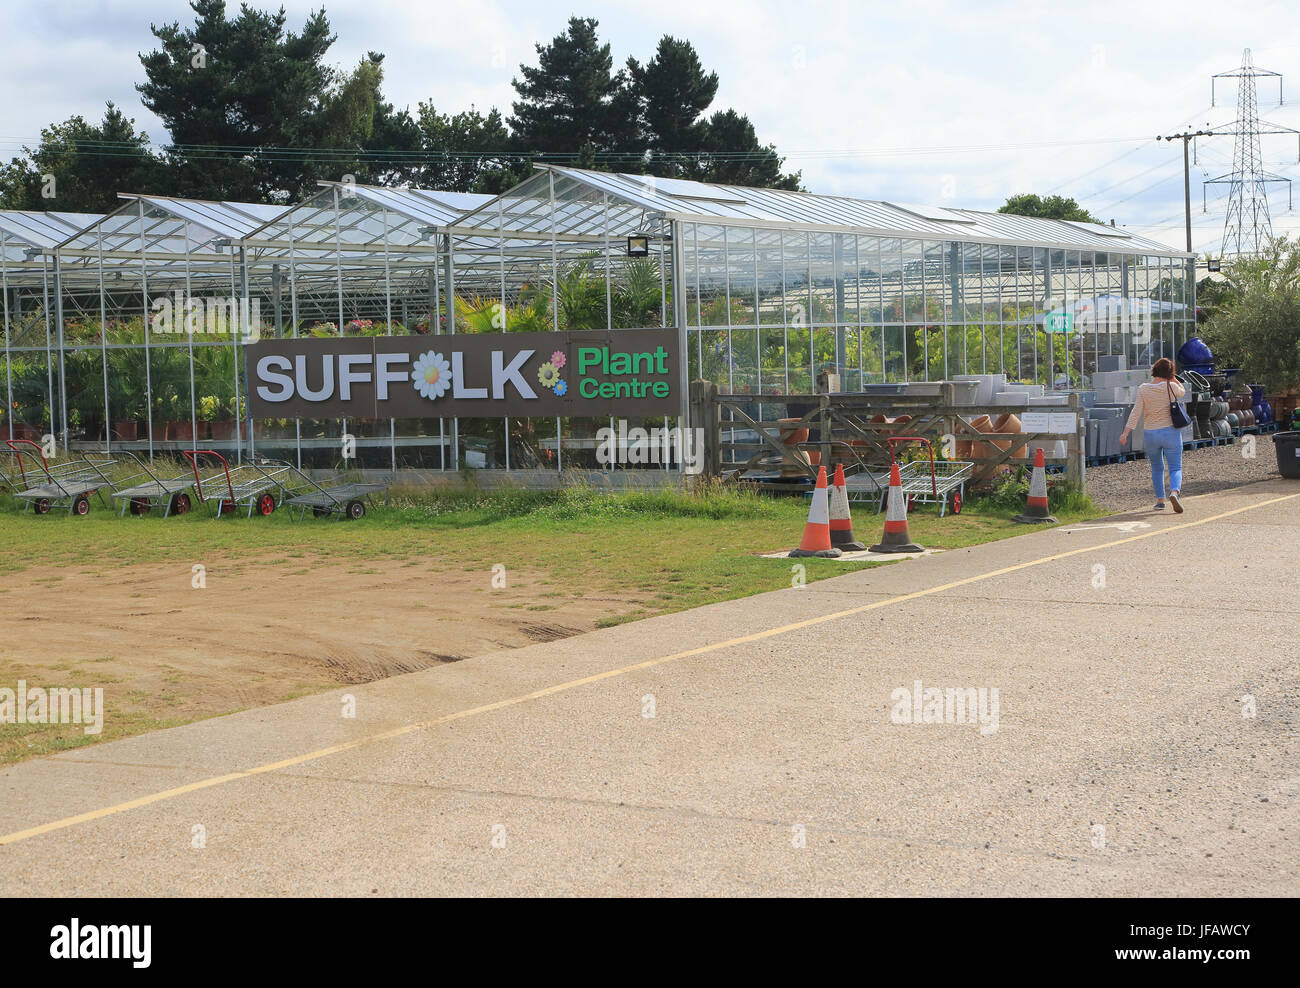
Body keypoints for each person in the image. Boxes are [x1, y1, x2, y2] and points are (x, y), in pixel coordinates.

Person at [1119, 357, 1186, 512]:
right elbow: (1182, 391)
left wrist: (1125, 433)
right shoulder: (1171, 386)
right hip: (1170, 432)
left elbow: (1136, 412)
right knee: (1175, 467)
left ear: (1154, 370)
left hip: (1150, 434)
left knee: (1157, 468)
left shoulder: (1143, 388)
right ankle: (1174, 492)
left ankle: (1160, 500)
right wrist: (1174, 379)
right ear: (1170, 373)